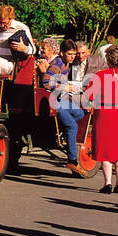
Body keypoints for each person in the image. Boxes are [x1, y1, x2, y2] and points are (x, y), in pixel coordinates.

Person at [88, 45, 118, 194]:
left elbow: (89, 95)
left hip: (104, 112)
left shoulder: (100, 75)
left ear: (108, 59)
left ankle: (108, 182)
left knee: (105, 146)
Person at [44, 39, 87, 176]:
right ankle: (72, 161)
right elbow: (45, 82)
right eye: (69, 54)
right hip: (53, 101)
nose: (73, 56)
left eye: (74, 54)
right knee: (73, 126)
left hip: (61, 99)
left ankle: (63, 134)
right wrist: (64, 87)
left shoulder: (66, 64)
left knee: (80, 114)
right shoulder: (57, 64)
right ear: (62, 53)